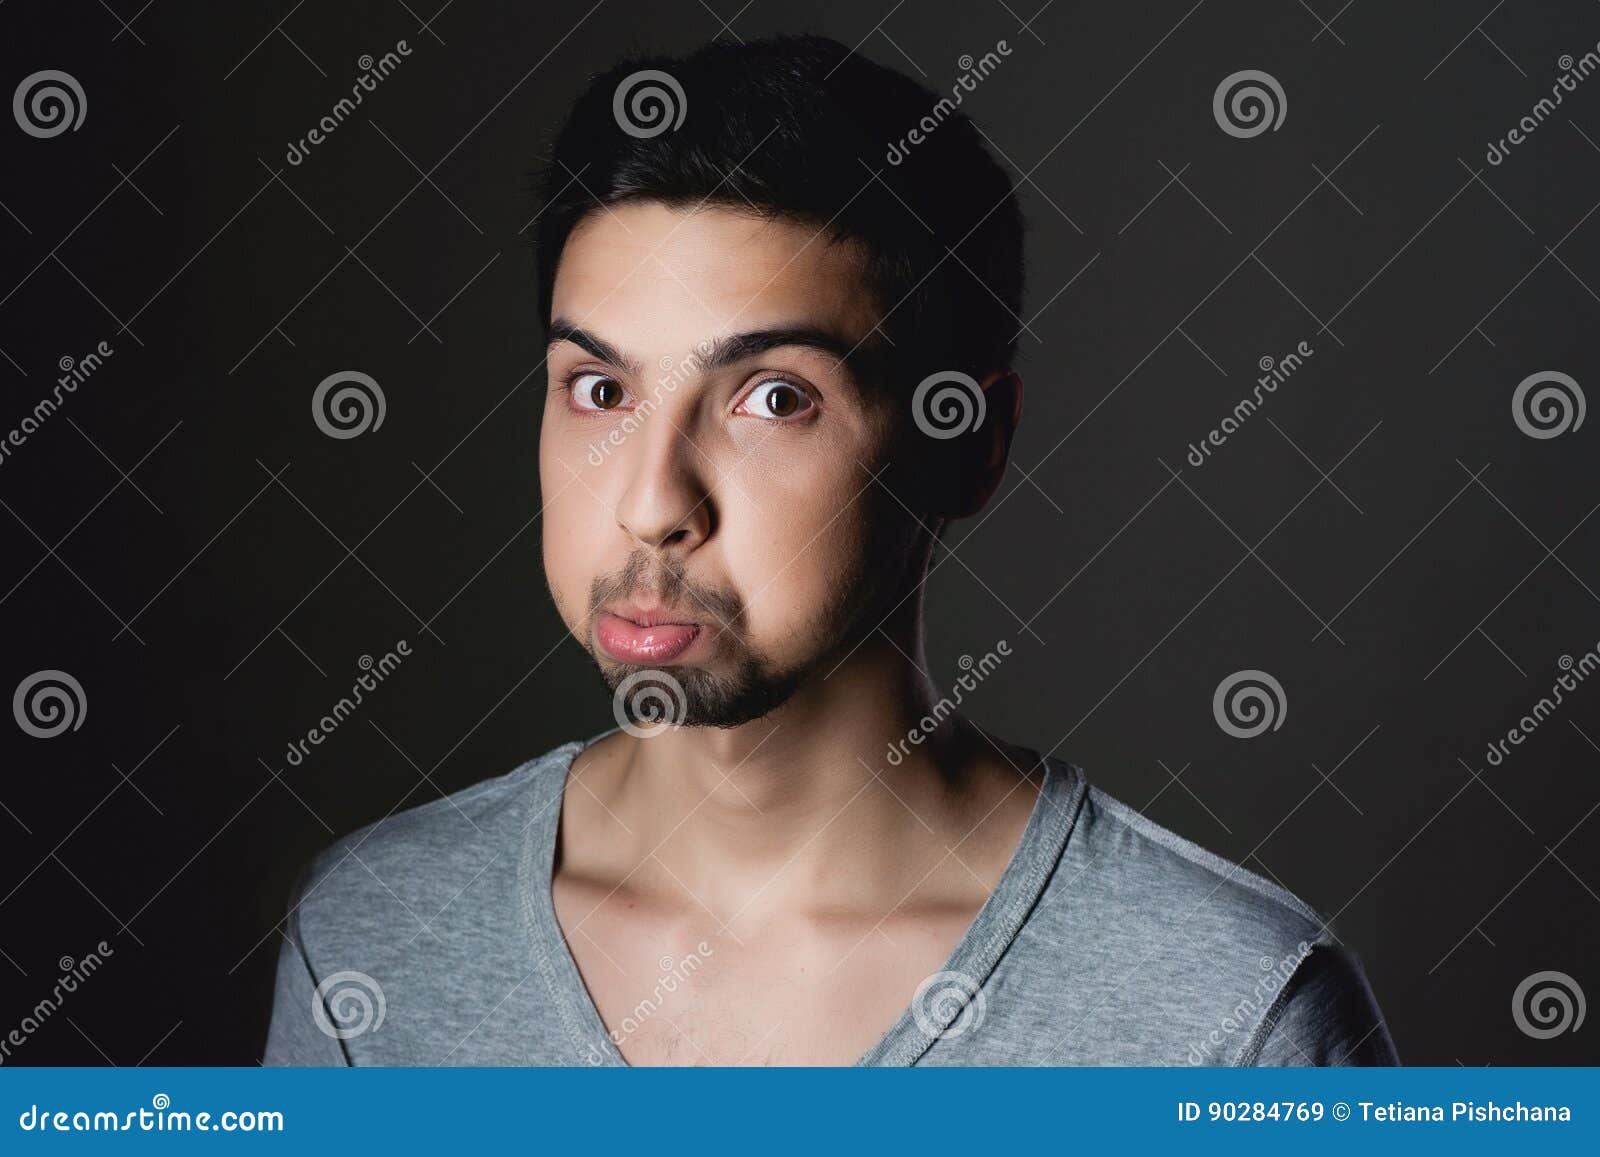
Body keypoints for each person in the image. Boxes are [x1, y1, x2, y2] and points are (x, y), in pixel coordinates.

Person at [264, 33, 1397, 1067]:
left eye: (770, 397)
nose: (652, 502)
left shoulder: (1227, 1010)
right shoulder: (375, 938)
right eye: (599, 388)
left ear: (966, 443)